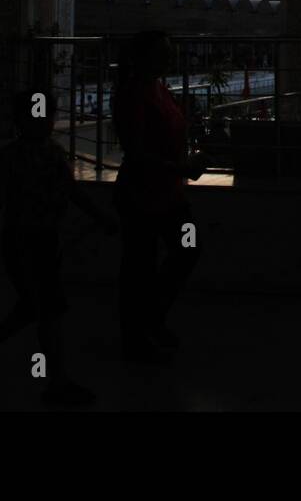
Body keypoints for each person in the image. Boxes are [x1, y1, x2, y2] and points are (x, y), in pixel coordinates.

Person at [0, 92, 117, 405]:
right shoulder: (26, 157)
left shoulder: (36, 155)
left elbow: (68, 192)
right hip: (26, 242)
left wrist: (100, 216)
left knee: (36, 308)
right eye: (38, 114)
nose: (44, 120)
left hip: (37, 242)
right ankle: (55, 381)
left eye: (46, 114)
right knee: (47, 310)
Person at [113, 31, 205, 363]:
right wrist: (180, 167)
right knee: (140, 265)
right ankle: (138, 331)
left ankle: (148, 321)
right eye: (163, 53)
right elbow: (137, 154)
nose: (170, 58)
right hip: (144, 191)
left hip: (166, 190)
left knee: (180, 251)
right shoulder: (134, 94)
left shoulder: (157, 88)